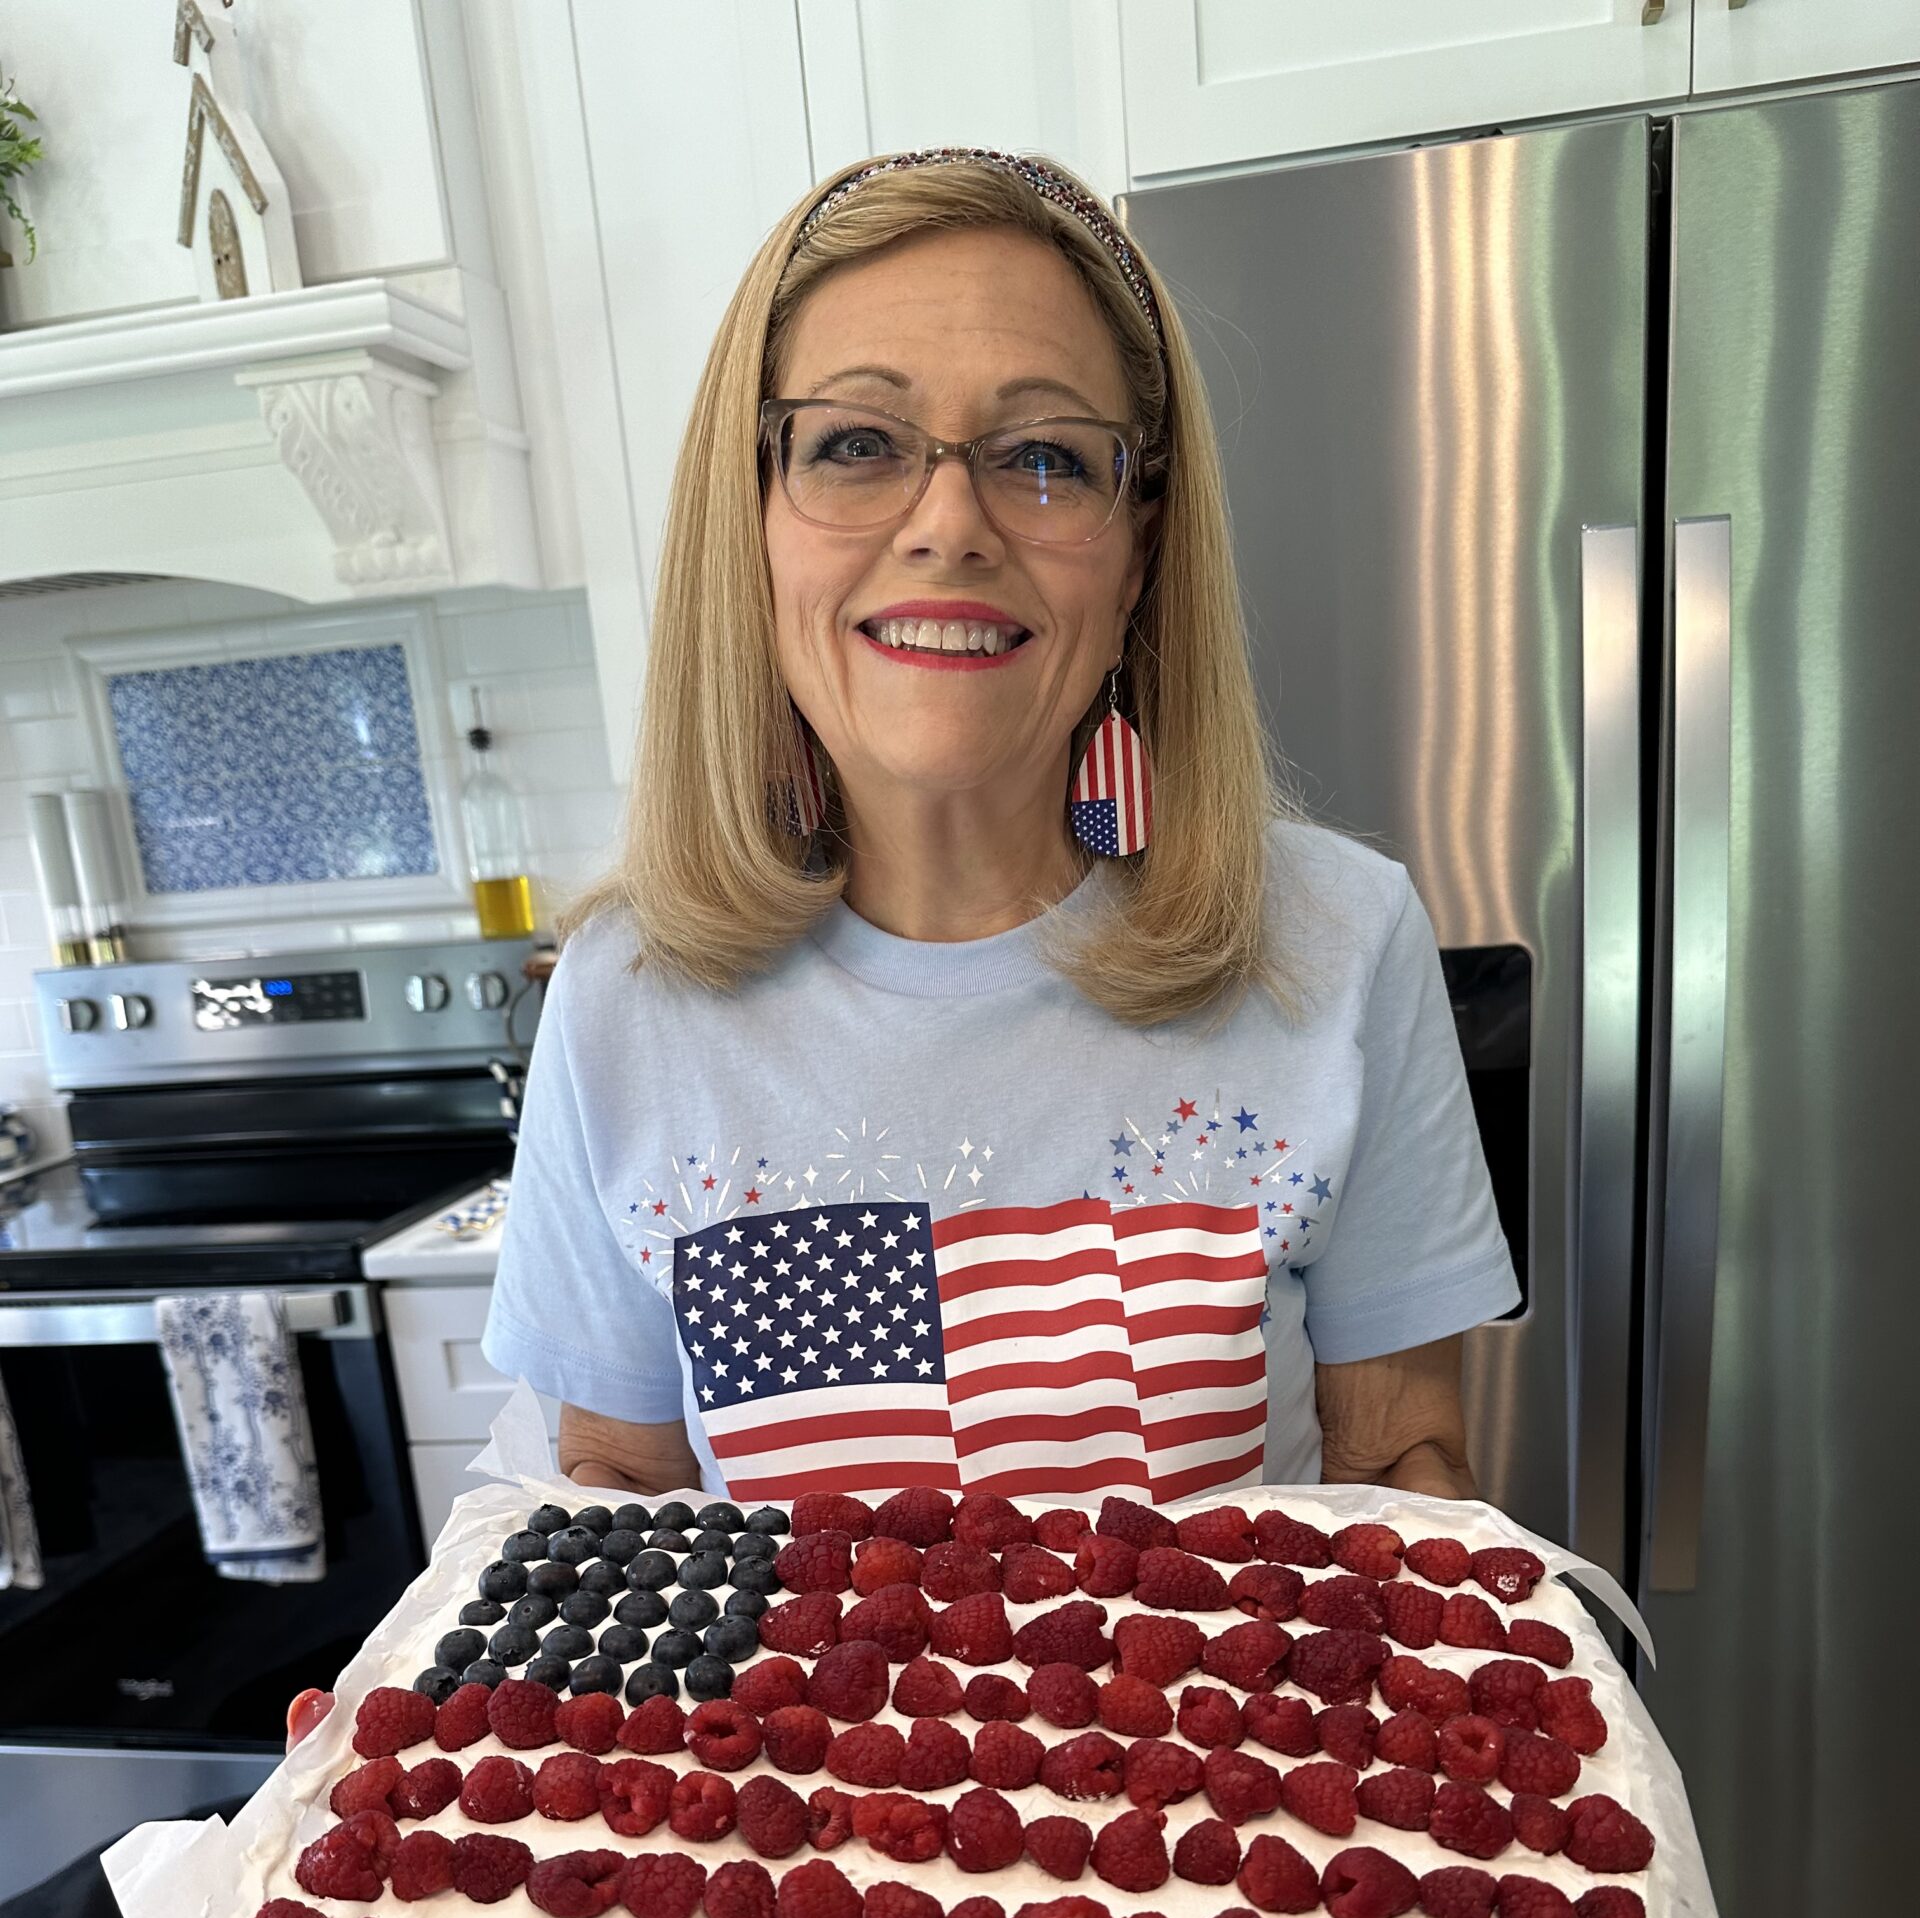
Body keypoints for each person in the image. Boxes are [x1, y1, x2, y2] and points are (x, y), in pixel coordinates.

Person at [484, 147, 1516, 1510]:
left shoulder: (1337, 942)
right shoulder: (624, 1001)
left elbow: (1402, 1483)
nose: (950, 525)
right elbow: (615, 1501)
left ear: (1140, 545)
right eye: (857, 444)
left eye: (1044, 456)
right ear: (754, 520)